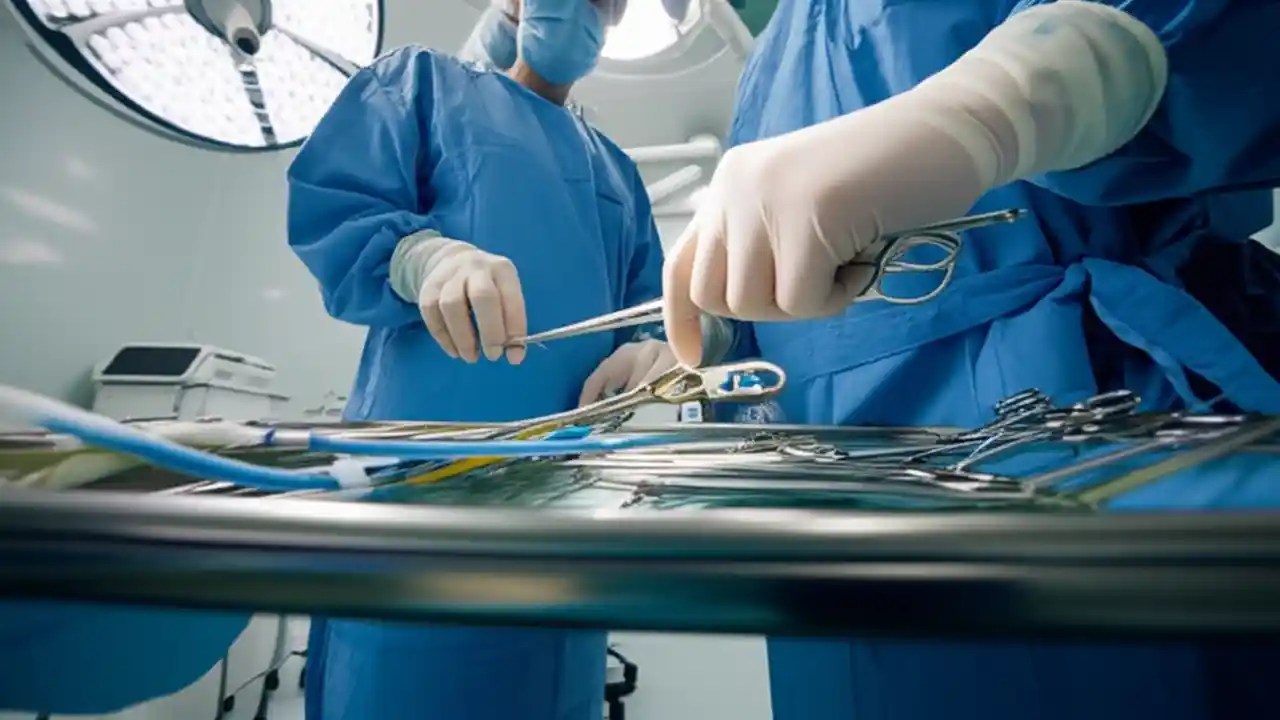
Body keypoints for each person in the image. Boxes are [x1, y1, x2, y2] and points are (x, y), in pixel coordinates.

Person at [657, 0, 1280, 719]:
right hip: (830, 508)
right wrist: (703, 342)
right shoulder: (773, 56)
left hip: (1097, 423)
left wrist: (1018, 94)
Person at [286, 0, 677, 718]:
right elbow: (337, 210)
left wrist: (653, 351)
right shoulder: (424, 83)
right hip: (415, 505)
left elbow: (648, 308)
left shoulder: (618, 172)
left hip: (565, 520)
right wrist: (419, 255)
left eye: (605, 1)